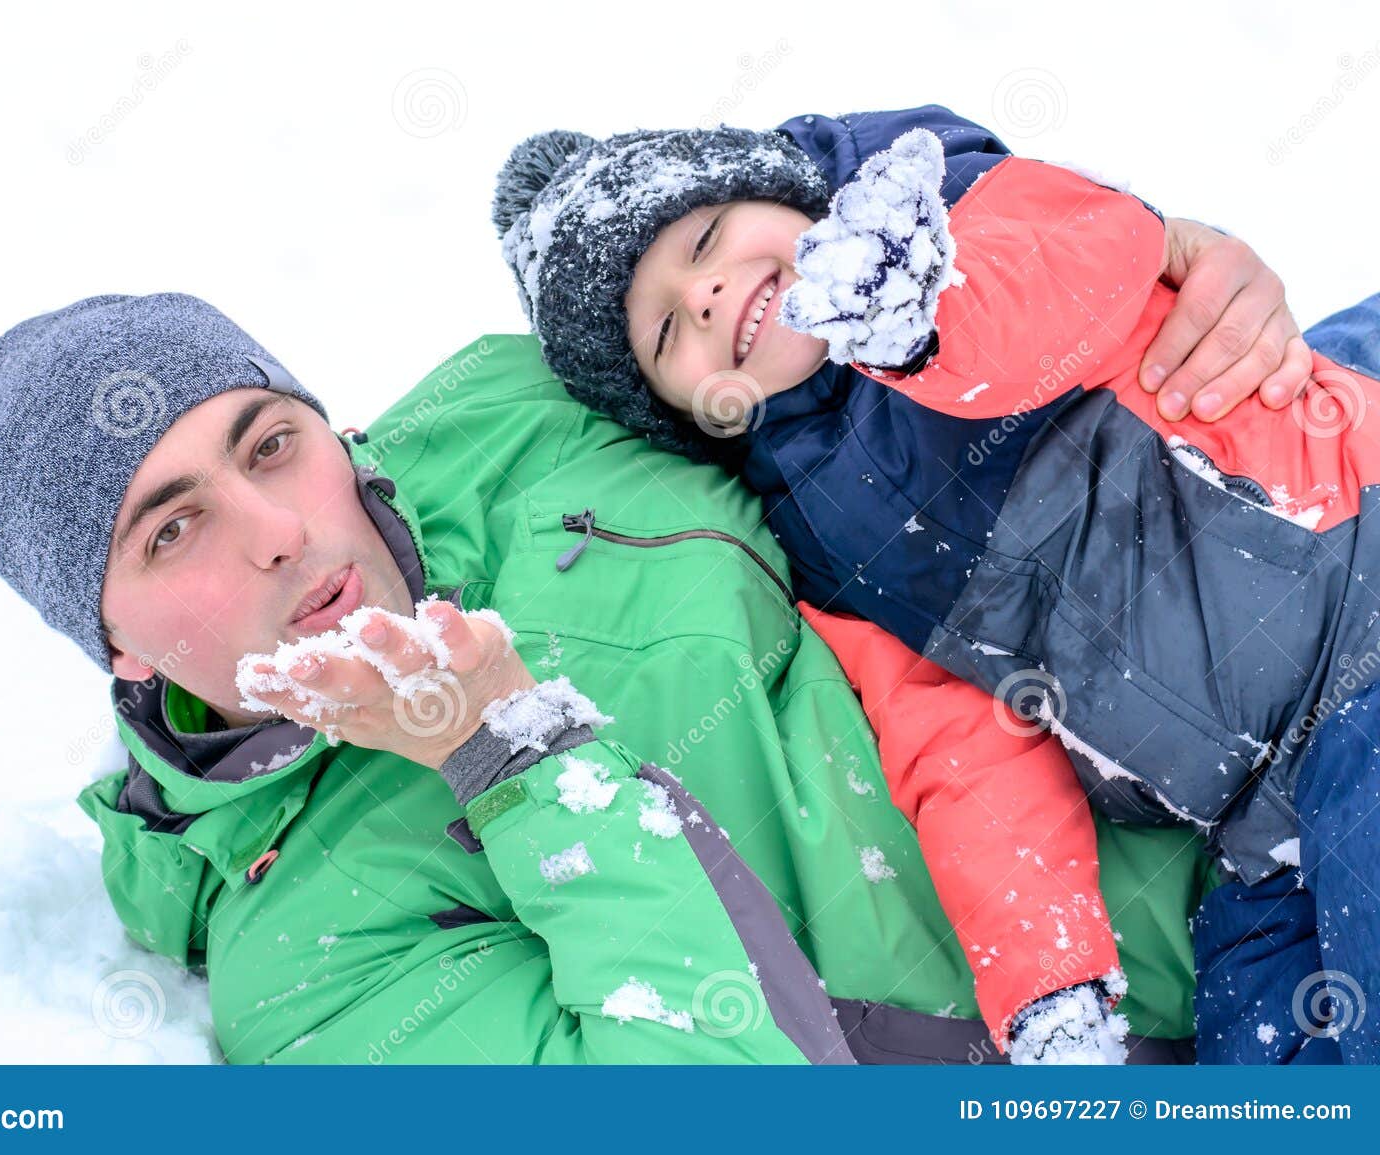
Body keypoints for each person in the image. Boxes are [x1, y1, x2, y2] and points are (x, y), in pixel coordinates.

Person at [0, 293, 1215, 1063]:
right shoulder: (306, 971)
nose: (278, 530)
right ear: (117, 649)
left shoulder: (505, 399)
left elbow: (782, 249)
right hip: (1212, 924)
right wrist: (507, 754)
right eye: (174, 530)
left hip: (1201, 535)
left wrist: (1162, 266)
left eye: (272, 447)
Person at [490, 105, 1379, 1062]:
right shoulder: (823, 543)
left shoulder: (955, 208)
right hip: (1258, 829)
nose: (704, 295)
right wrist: (1048, 983)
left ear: (781, 192)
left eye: (705, 238)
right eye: (668, 331)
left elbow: (1087, 269)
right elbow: (962, 741)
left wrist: (924, 319)